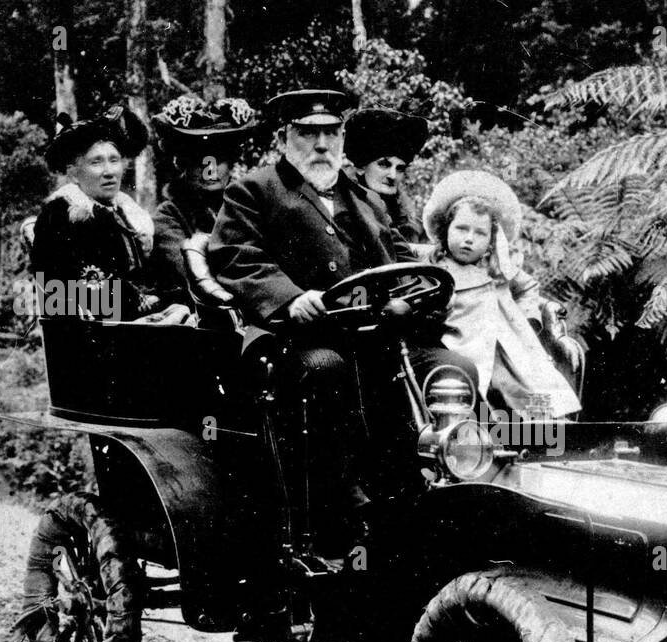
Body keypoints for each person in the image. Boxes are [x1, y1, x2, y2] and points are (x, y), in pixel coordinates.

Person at [208, 88, 477, 551]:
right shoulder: (255, 189)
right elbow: (236, 257)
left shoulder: (365, 199)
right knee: (326, 368)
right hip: (289, 337)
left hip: (370, 334)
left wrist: (408, 301)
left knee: (453, 368)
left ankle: (438, 482)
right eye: (308, 134)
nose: (321, 145)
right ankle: (341, 500)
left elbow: (394, 261)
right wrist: (290, 298)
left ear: (342, 136)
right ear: (285, 137)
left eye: (331, 133)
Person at [422, 170, 582, 419]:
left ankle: (545, 431)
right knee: (477, 397)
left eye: (479, 233)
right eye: (461, 229)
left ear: (491, 240)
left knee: (532, 388)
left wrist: (529, 318)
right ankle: (484, 438)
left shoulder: (498, 269)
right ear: (446, 230)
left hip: (505, 344)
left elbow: (528, 288)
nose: (468, 239)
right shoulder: (437, 269)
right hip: (465, 346)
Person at [31, 105, 189, 324]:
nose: (109, 172)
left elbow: (150, 278)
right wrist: (147, 307)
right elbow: (63, 295)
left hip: (133, 320)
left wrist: (171, 301)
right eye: (96, 162)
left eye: (114, 160)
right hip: (91, 331)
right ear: (72, 172)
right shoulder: (59, 215)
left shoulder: (125, 213)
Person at [149, 94, 259, 307]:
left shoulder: (247, 208)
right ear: (182, 164)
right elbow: (187, 274)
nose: (210, 170)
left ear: (232, 162)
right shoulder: (168, 215)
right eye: (199, 160)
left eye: (219, 159)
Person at [344, 108, 428, 244]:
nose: (393, 175)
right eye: (384, 164)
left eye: (400, 168)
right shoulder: (345, 210)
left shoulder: (410, 222)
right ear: (361, 167)